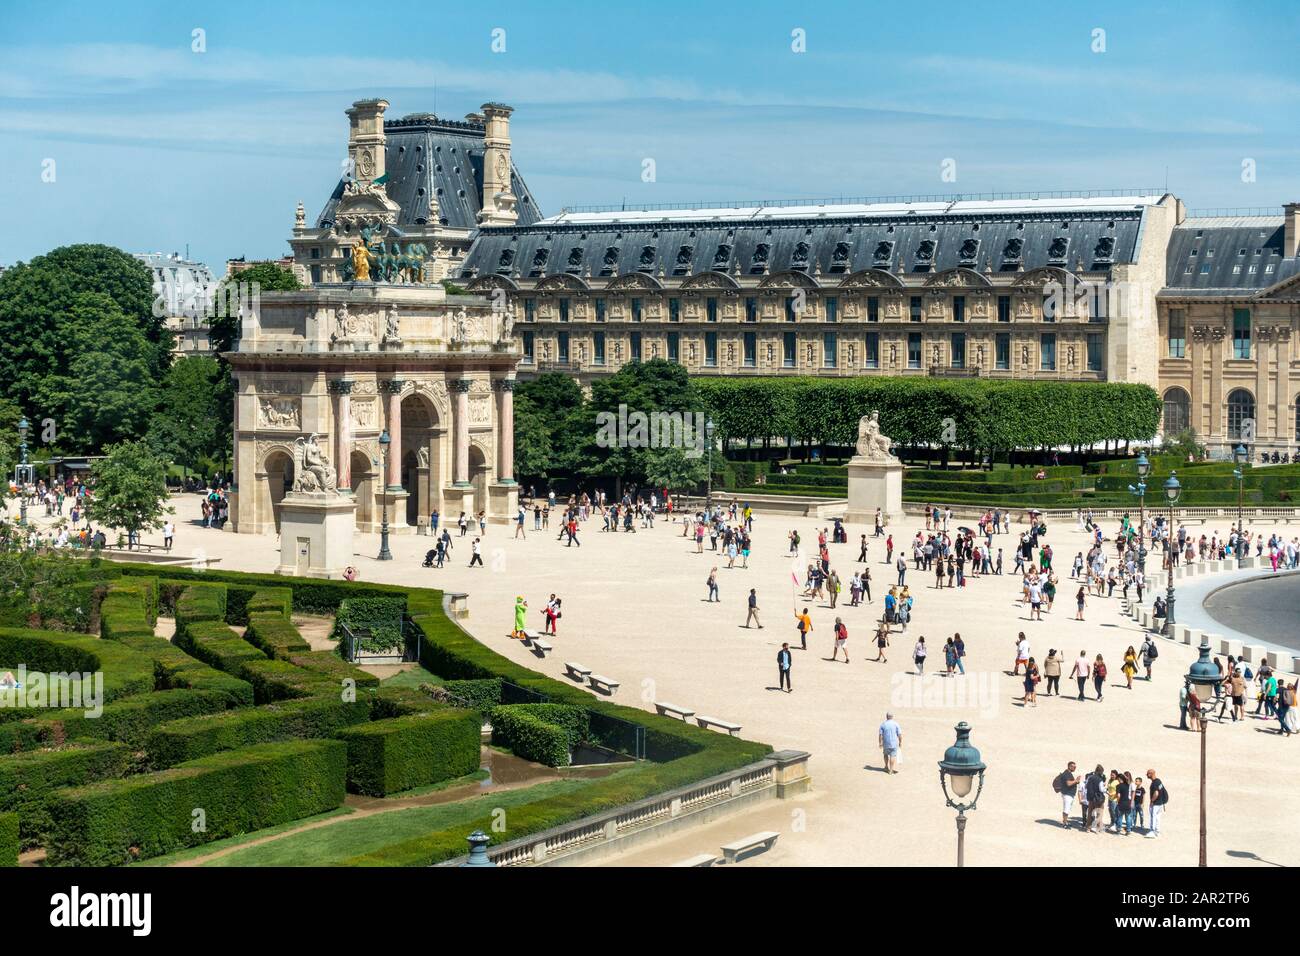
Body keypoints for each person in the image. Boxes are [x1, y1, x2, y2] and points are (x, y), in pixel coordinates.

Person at [1054, 761, 1080, 828]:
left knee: (1067, 808)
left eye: (1075, 767)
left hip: (1068, 794)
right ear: (1070, 767)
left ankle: (1065, 822)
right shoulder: (1067, 774)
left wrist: (1075, 782)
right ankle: (1064, 823)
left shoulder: (1068, 773)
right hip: (1067, 794)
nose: (1075, 768)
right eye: (1074, 767)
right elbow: (1068, 783)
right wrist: (1076, 781)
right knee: (1066, 809)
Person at [1145, 769, 1167, 838]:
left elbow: (1156, 793)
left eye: (1148, 774)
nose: (1147, 775)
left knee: (1153, 817)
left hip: (1155, 804)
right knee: (1158, 818)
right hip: (1160, 803)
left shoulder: (1154, 783)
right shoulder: (1158, 781)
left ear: (1151, 774)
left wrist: (1152, 801)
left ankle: (1152, 831)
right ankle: (1157, 832)